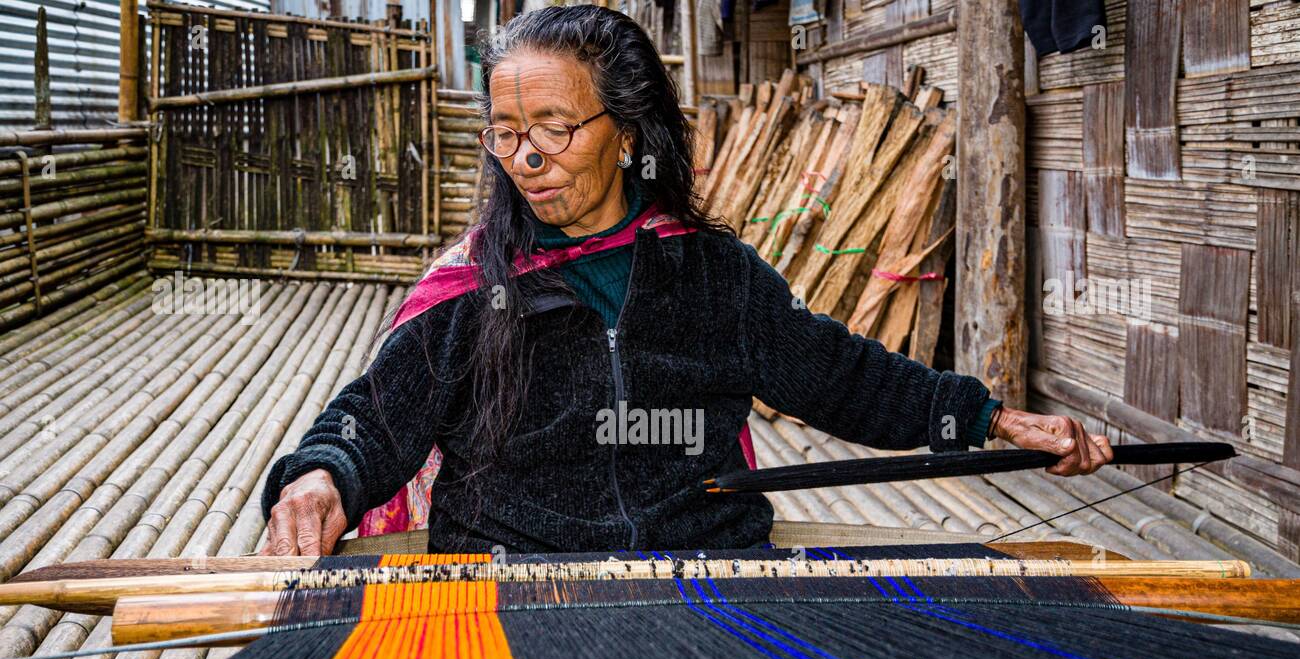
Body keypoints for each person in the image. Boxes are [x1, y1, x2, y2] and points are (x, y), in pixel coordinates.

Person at [259, 5, 1112, 556]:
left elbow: (841, 374)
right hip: (514, 594)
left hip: (707, 581)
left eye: (554, 128)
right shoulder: (469, 292)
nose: (525, 158)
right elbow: (374, 415)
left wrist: (989, 416)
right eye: (505, 131)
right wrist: (319, 474)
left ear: (626, 132)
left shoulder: (712, 278)